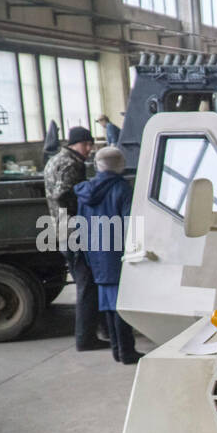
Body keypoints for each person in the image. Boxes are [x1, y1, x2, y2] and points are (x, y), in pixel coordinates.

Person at [75, 147, 142, 365]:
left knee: (108, 305)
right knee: (121, 306)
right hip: (116, 255)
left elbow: (81, 226)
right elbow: (129, 225)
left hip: (94, 254)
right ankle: (127, 352)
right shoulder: (122, 189)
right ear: (120, 165)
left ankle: (117, 350)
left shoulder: (84, 192)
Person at [44, 126, 105, 351]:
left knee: (85, 283)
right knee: (87, 285)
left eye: (91, 145)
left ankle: (92, 333)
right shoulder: (70, 163)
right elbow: (62, 195)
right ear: (74, 143)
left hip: (62, 230)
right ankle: (85, 338)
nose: (89, 149)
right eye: (86, 144)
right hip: (72, 232)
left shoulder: (56, 159)